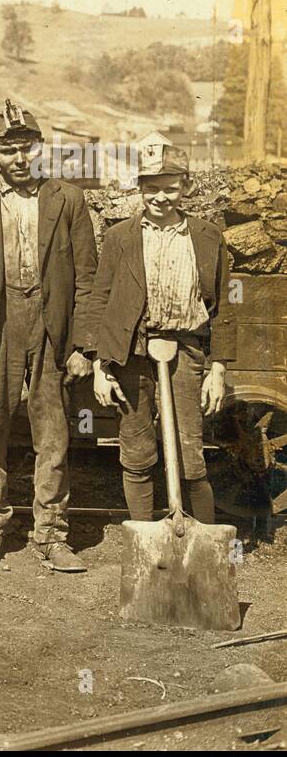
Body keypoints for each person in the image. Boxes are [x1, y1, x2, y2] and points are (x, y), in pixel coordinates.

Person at [0, 99, 98, 571]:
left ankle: (51, 534)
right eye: (8, 150)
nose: (17, 158)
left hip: (50, 325)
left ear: (37, 150)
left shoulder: (67, 200)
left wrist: (82, 345)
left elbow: (88, 279)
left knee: (52, 433)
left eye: (25, 148)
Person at [83, 142, 232, 524]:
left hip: (186, 350)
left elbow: (224, 308)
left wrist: (217, 369)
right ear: (140, 187)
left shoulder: (207, 237)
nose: (161, 197)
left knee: (189, 452)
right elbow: (100, 299)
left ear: (185, 187)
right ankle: (145, 537)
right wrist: (101, 365)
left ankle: (199, 539)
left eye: (170, 187)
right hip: (132, 354)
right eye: (152, 187)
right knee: (136, 450)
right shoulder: (120, 237)